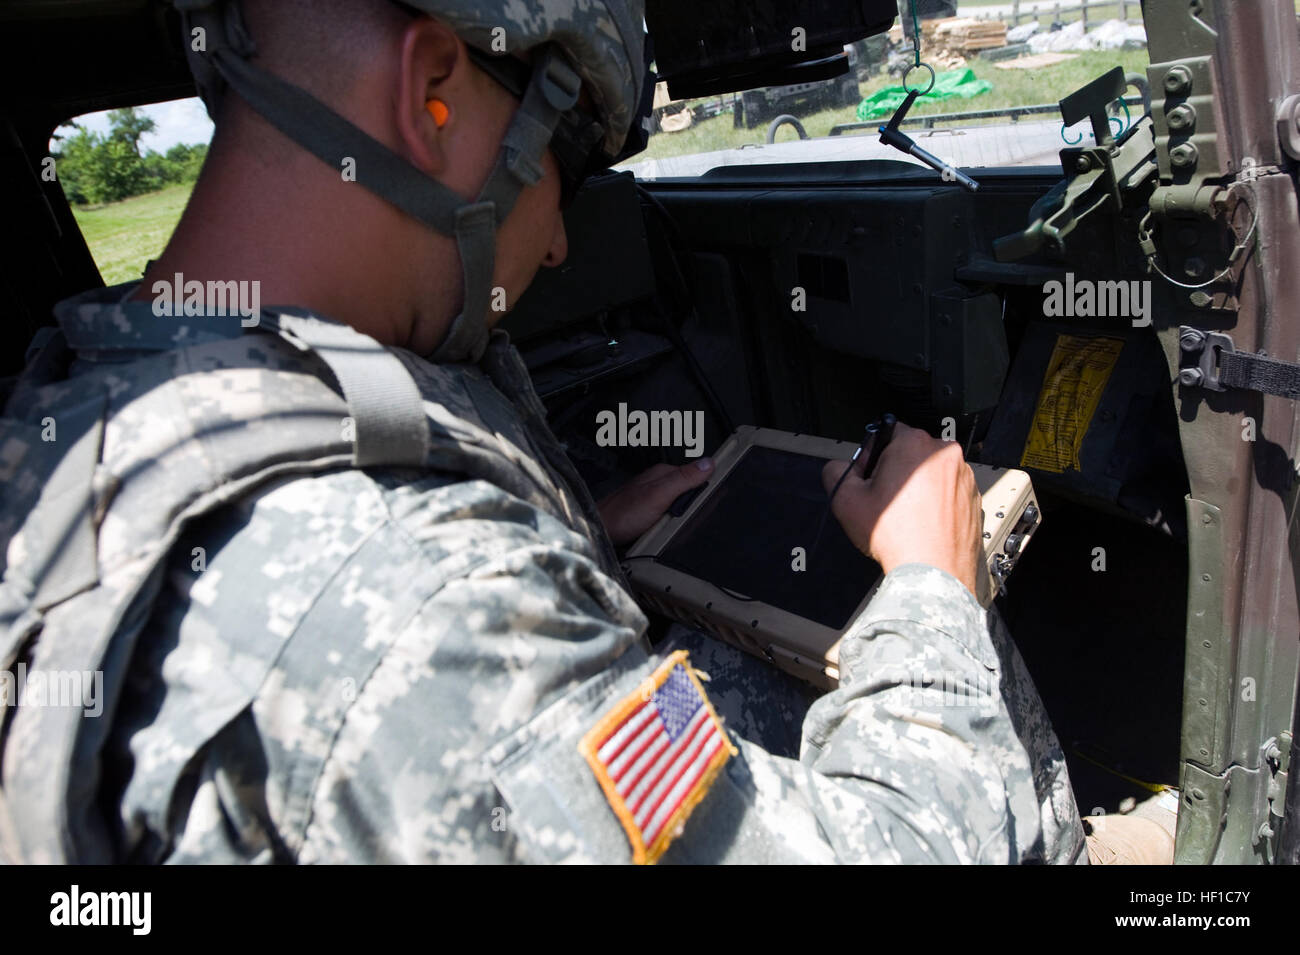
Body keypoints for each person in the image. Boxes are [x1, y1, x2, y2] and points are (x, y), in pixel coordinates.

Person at [0, 0, 1154, 864]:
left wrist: (582, 536)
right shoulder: (413, 604)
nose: (556, 244)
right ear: (434, 90)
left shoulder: (93, 387)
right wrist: (931, 588)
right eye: (568, 164)